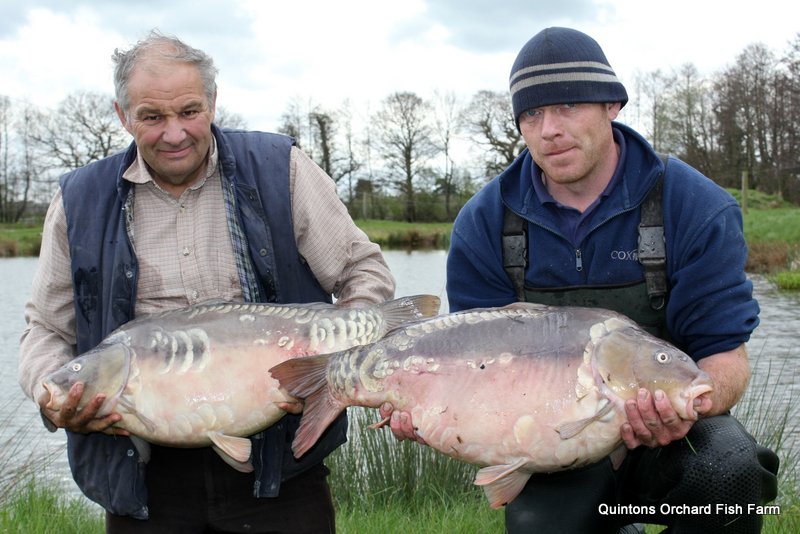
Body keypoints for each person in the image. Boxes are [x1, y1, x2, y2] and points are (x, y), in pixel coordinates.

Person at [381, 27, 779, 533]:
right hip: (548, 438)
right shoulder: (483, 222)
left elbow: (725, 358)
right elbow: (472, 367)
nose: (549, 129)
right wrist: (431, 410)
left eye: (568, 105)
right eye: (531, 114)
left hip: (673, 437)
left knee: (731, 475)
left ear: (612, 104)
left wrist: (689, 405)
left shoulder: (696, 206)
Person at [18, 29, 395, 533]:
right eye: (152, 117)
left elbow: (362, 271)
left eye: (189, 111)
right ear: (122, 115)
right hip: (142, 480)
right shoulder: (78, 201)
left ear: (213, 102)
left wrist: (329, 369)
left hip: (283, 469)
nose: (174, 133)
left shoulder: (281, 169)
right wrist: (54, 396)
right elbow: (46, 328)